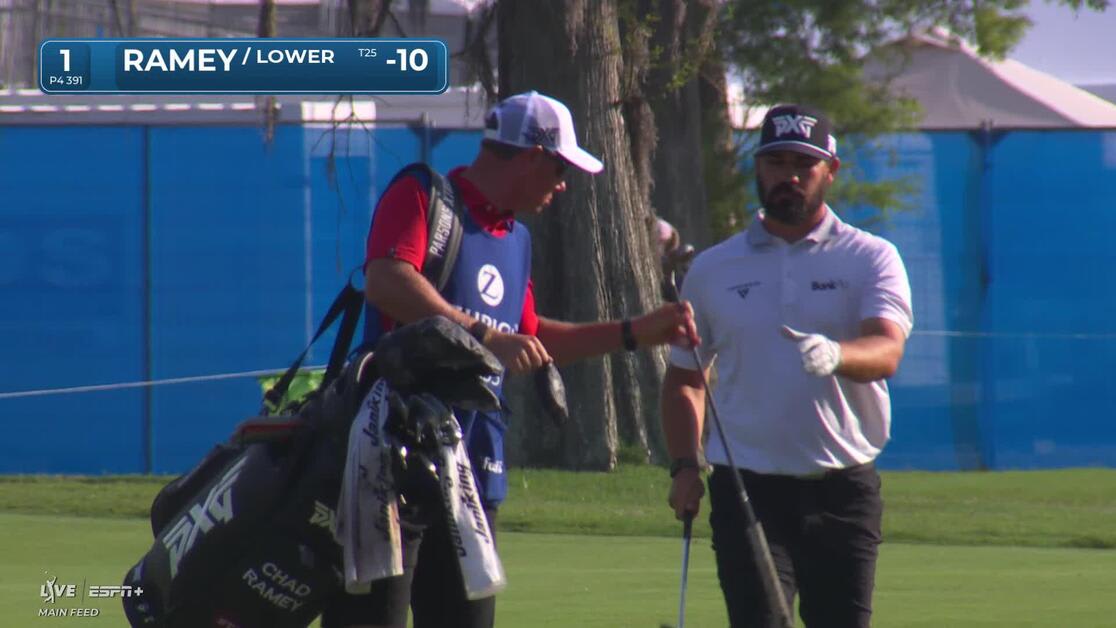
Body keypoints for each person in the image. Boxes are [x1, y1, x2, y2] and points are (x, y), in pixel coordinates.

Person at [322, 90, 699, 628]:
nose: (564, 185)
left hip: (472, 472)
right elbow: (387, 279)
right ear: (532, 157)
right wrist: (481, 335)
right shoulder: (423, 195)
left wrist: (636, 332)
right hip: (390, 466)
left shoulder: (515, 237)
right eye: (560, 169)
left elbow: (530, 337)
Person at [660, 104, 913, 628]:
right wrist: (685, 465)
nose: (789, 177)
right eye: (776, 163)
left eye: (804, 163)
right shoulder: (712, 268)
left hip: (843, 488)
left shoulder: (871, 257)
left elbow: (887, 350)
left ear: (830, 172)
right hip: (747, 487)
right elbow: (685, 379)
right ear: (758, 168)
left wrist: (839, 354)